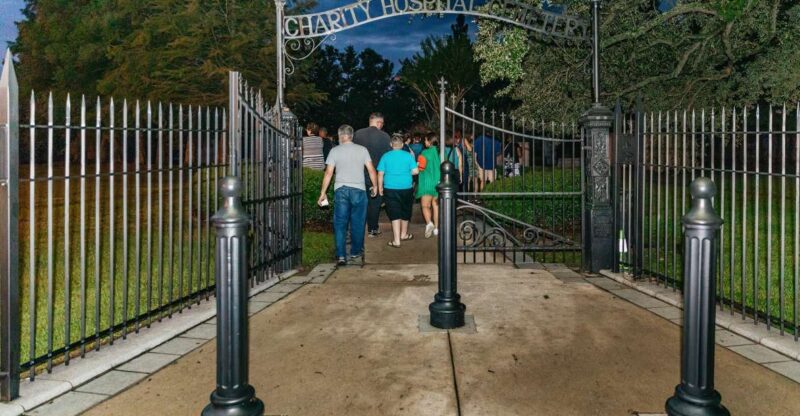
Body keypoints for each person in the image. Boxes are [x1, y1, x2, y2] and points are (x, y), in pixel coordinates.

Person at [318, 125, 378, 266]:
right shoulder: (362, 150)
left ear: (341, 136)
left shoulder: (334, 151)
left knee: (340, 224)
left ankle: (341, 256)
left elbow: (328, 173)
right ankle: (356, 252)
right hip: (359, 190)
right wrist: (375, 186)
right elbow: (371, 170)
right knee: (358, 223)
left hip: (341, 190)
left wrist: (323, 193)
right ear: (351, 136)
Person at [354, 113, 392, 237]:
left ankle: (358, 229)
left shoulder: (358, 134)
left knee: (360, 203)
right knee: (374, 204)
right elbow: (388, 157)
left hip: (360, 173)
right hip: (378, 174)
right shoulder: (385, 137)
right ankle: (372, 229)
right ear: (379, 123)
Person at [377, 134, 419, 247]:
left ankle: (396, 241)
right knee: (405, 211)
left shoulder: (385, 156)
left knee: (394, 213)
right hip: (406, 188)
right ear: (402, 145)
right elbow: (416, 171)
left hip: (390, 188)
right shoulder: (408, 155)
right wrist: (405, 173)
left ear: (391, 145)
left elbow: (380, 173)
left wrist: (380, 187)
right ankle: (404, 234)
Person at [416, 133, 441, 238]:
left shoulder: (425, 153)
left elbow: (420, 168)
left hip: (426, 183)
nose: (425, 142)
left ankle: (429, 223)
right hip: (439, 183)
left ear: (430, 141)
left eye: (425, 140)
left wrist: (417, 165)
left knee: (425, 206)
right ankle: (436, 228)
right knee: (436, 206)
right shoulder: (441, 152)